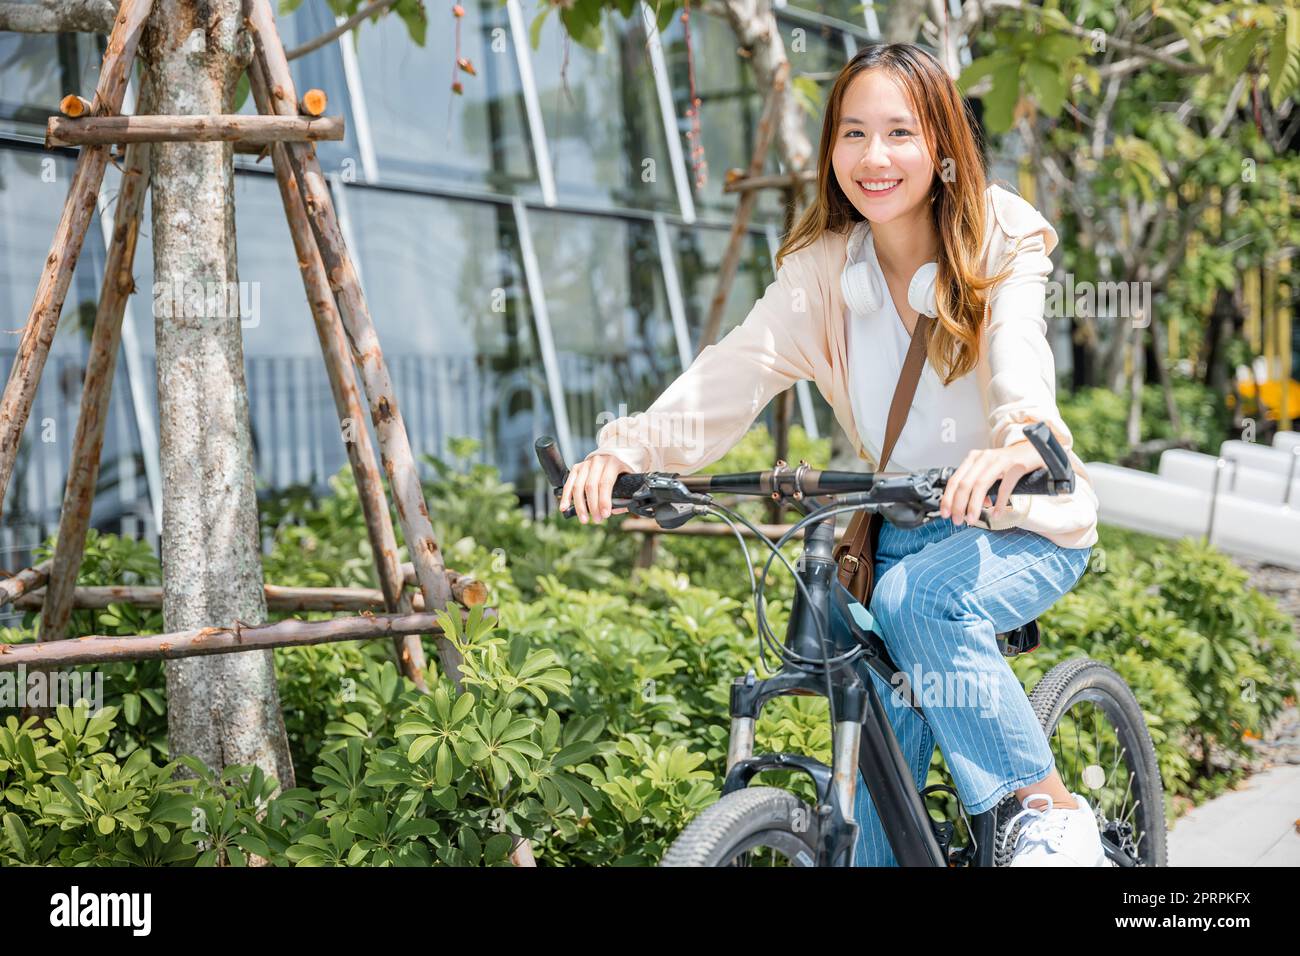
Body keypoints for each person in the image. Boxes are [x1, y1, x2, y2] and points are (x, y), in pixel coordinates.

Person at [559, 42, 1106, 867]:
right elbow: (732, 373)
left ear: (943, 146)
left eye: (898, 133)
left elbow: (1019, 350)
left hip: (1020, 522)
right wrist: (625, 453)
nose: (873, 157)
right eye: (852, 134)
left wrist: (1017, 438)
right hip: (892, 542)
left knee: (919, 601)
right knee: (879, 809)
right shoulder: (823, 276)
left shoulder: (999, 238)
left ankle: (1048, 810)